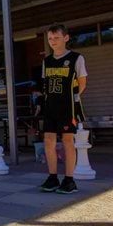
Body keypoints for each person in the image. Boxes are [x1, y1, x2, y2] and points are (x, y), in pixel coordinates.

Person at [40, 24, 87, 194]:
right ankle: (52, 177)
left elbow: (82, 83)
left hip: (67, 106)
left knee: (68, 141)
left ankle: (69, 179)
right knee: (49, 141)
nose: (53, 41)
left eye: (56, 38)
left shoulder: (76, 58)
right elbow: (45, 84)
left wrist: (73, 98)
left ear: (66, 38)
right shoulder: (46, 61)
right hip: (50, 106)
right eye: (50, 38)